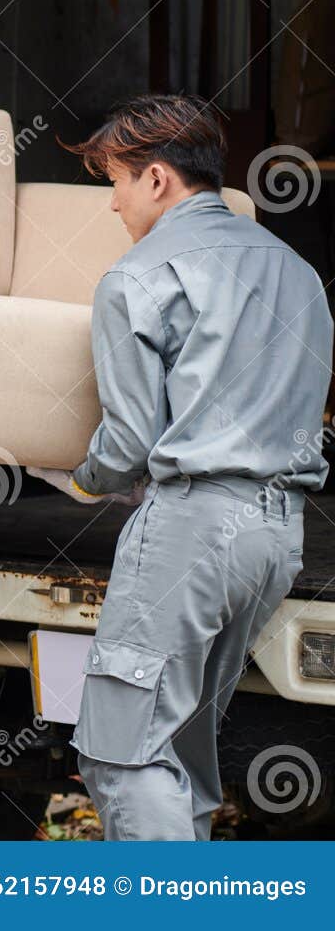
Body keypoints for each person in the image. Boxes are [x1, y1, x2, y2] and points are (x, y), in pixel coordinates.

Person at [28, 94, 331, 839]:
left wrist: (78, 477)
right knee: (182, 749)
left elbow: (129, 438)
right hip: (274, 538)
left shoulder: (135, 279)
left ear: (158, 179)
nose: (112, 205)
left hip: (191, 531)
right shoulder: (301, 274)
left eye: (116, 182)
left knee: (124, 755)